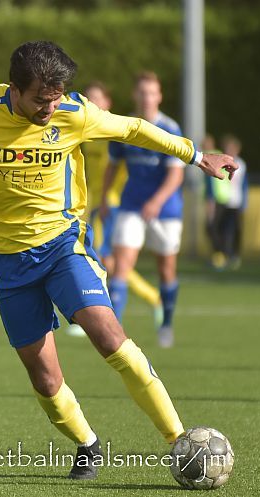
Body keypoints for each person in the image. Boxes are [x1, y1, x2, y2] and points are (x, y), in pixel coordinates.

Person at [0, 41, 237, 479]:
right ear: (14, 89)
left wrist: (197, 156)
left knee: (108, 336)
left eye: (55, 98)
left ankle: (179, 440)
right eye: (39, 100)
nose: (50, 109)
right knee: (45, 378)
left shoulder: (74, 112)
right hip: (7, 262)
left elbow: (133, 129)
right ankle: (88, 444)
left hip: (62, 245)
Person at [65, 81, 161, 338]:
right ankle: (151, 298)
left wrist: (111, 198)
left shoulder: (113, 130)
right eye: (89, 97)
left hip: (114, 204)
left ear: (108, 102)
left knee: (100, 259)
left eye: (97, 97)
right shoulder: (86, 131)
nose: (92, 101)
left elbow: (124, 169)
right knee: (106, 260)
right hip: (96, 203)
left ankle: (96, 315)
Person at [101, 71, 184, 348]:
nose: (147, 98)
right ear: (134, 95)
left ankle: (166, 323)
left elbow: (176, 174)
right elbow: (113, 166)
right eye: (143, 92)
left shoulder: (170, 129)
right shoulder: (124, 127)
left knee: (166, 269)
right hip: (131, 206)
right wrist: (105, 198)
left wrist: (157, 201)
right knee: (121, 267)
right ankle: (113, 335)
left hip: (166, 210)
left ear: (159, 96)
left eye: (152, 93)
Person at [205, 134, 248, 270]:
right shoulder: (222, 160)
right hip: (224, 201)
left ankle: (233, 255)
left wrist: (244, 202)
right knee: (221, 230)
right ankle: (223, 255)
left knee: (234, 230)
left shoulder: (241, 164)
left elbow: (243, 185)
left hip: (235, 202)